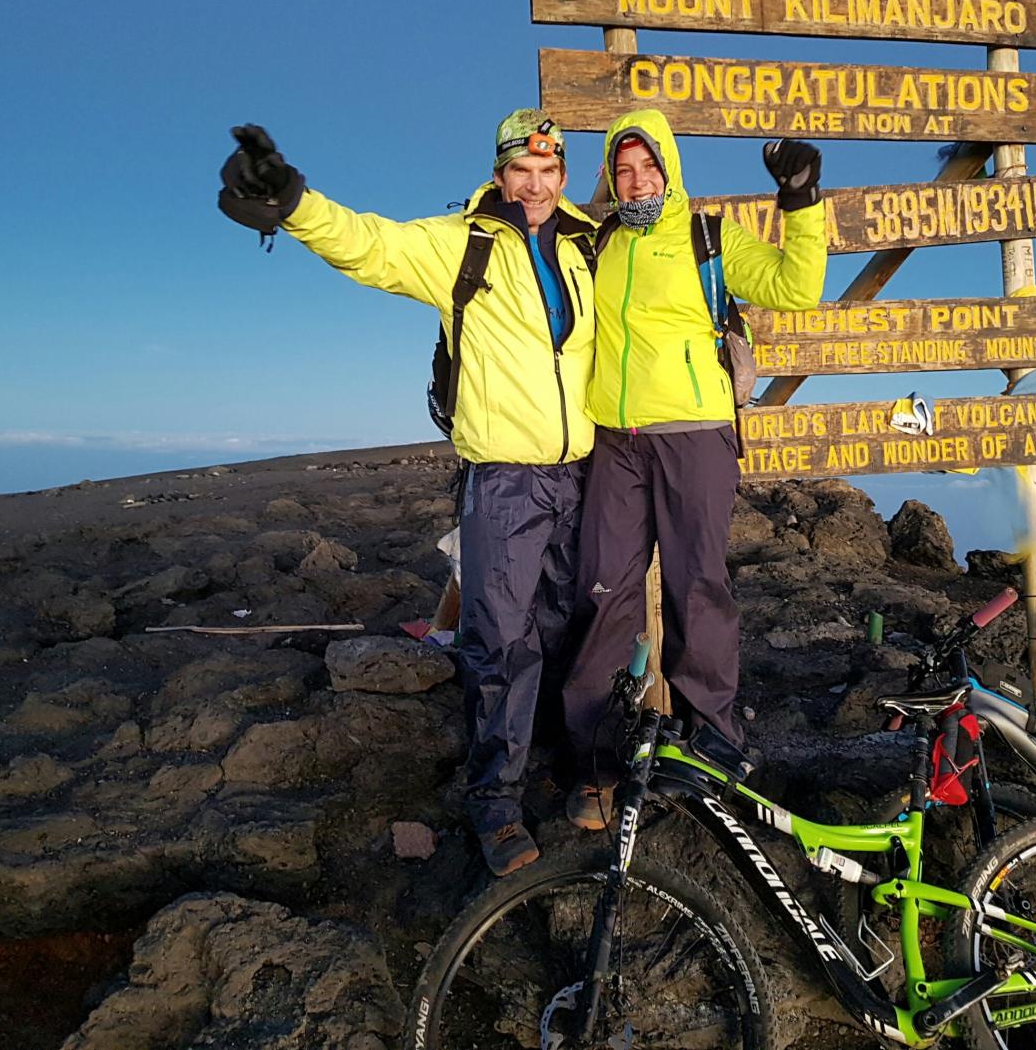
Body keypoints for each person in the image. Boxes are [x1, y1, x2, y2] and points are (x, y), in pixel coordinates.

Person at [216, 111, 597, 876]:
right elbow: (370, 244)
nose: (533, 184)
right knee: (500, 643)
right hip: (505, 480)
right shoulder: (463, 242)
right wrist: (293, 201)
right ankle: (495, 803)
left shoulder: (593, 244)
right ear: (500, 173)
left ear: (562, 174)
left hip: (582, 475)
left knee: (570, 631)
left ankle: (561, 763)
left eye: (547, 170)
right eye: (520, 170)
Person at [562, 108, 826, 830]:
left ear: (670, 167)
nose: (637, 178)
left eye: (648, 166)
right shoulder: (601, 240)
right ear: (610, 177)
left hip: (696, 438)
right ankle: (596, 765)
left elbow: (795, 285)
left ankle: (711, 743)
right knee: (603, 589)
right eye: (624, 168)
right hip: (616, 440)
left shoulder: (707, 235)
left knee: (697, 588)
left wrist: (800, 200)